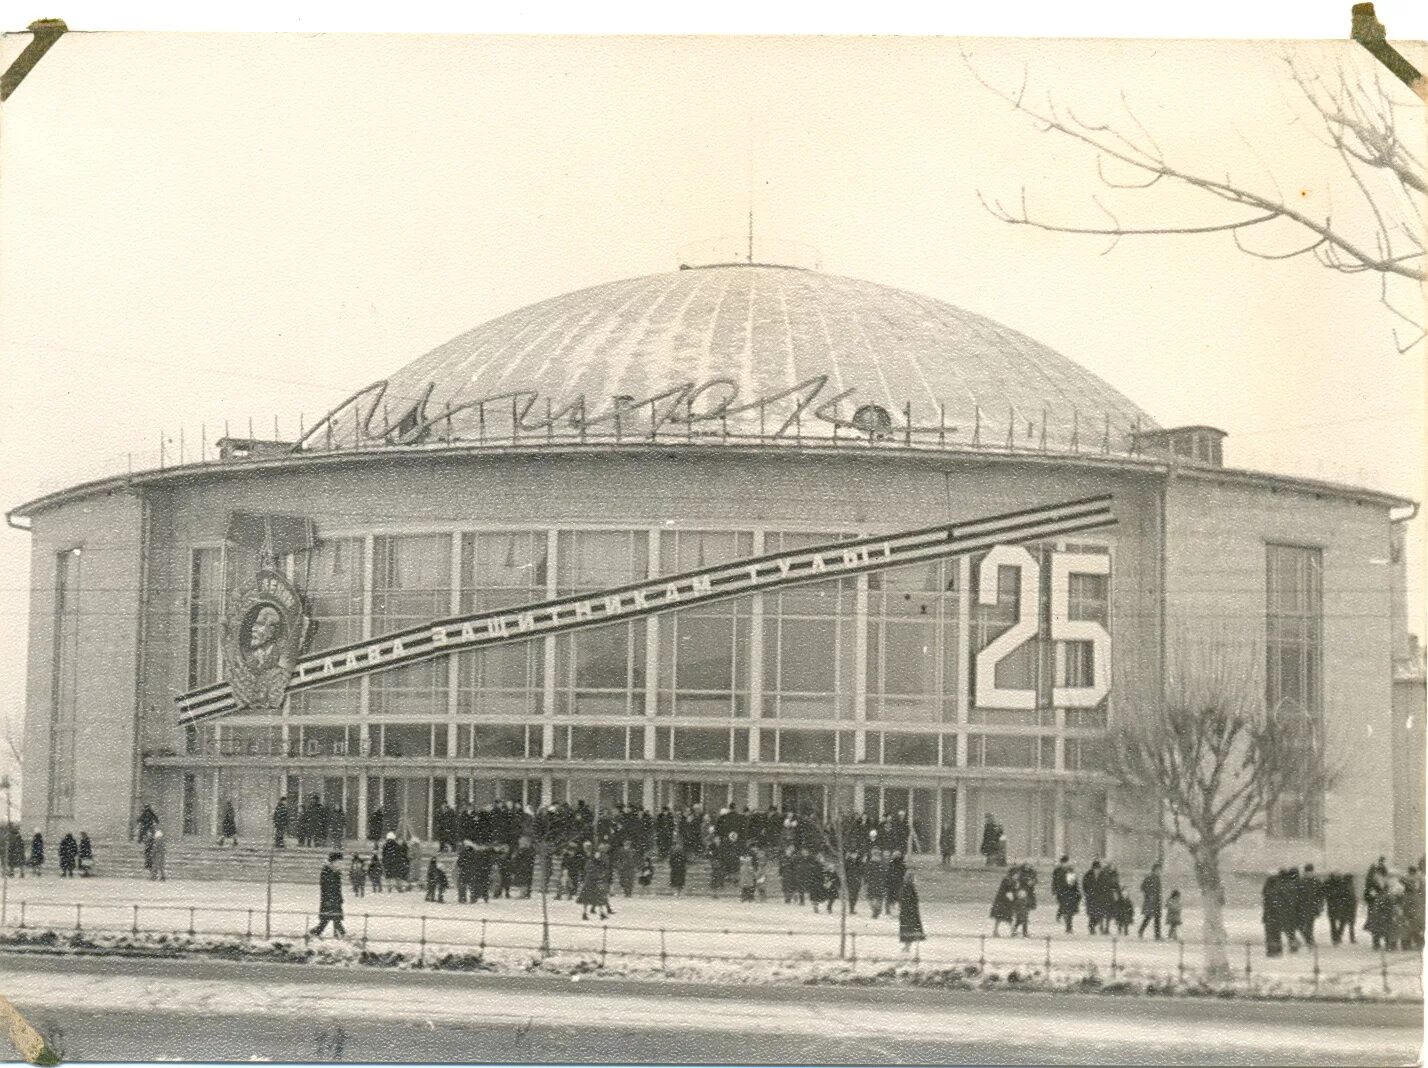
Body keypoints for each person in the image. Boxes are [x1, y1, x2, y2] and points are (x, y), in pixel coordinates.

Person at [309, 853, 346, 938]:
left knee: (330, 918)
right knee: (333, 917)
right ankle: (340, 934)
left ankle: (317, 932)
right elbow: (326, 887)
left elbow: (337, 887)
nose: (340, 864)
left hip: (334, 899)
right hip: (329, 899)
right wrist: (329, 899)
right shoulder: (327, 871)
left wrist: (339, 898)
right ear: (333, 862)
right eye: (338, 862)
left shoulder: (334, 871)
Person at [898, 871, 926, 952]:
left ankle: (907, 946)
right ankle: (908, 946)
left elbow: (902, 899)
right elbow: (913, 900)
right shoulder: (910, 887)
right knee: (911, 929)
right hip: (911, 912)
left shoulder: (905, 887)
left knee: (907, 929)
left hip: (906, 911)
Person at [1138, 861, 1163, 940]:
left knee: (1157, 918)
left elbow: (1158, 890)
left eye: (1160, 870)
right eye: (1158, 869)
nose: (1159, 871)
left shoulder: (1157, 878)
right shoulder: (1149, 877)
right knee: (1148, 917)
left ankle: (1157, 935)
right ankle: (1141, 931)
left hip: (1156, 901)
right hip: (1151, 901)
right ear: (1154, 869)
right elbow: (1142, 887)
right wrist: (1148, 895)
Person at [990, 866, 1018, 937]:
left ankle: (998, 931)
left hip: (1006, 901)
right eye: (1016, 874)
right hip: (1003, 901)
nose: (1017, 876)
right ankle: (1012, 931)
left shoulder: (1012, 881)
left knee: (1004, 917)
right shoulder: (1007, 880)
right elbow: (1006, 891)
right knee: (1004, 917)